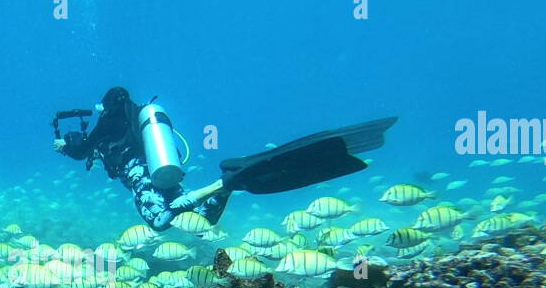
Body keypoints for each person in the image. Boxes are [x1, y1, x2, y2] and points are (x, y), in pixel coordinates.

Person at [54, 87, 397, 231]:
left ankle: (225, 181)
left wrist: (66, 144)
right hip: (163, 167)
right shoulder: (137, 117)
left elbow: (82, 151)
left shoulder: (105, 126)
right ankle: (231, 182)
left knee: (159, 222)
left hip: (140, 174)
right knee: (203, 219)